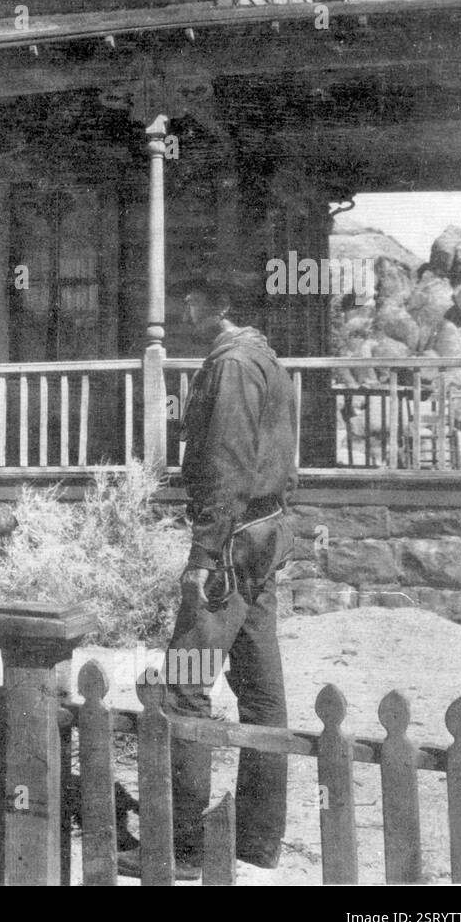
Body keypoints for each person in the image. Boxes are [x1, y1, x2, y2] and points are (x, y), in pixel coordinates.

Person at [118, 280, 297, 880]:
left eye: (191, 301)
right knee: (261, 691)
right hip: (264, 536)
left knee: (184, 685)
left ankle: (181, 847)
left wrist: (204, 554)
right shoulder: (266, 358)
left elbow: (226, 465)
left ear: (215, 306)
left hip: (230, 545)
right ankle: (255, 838)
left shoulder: (233, 366)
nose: (182, 310)